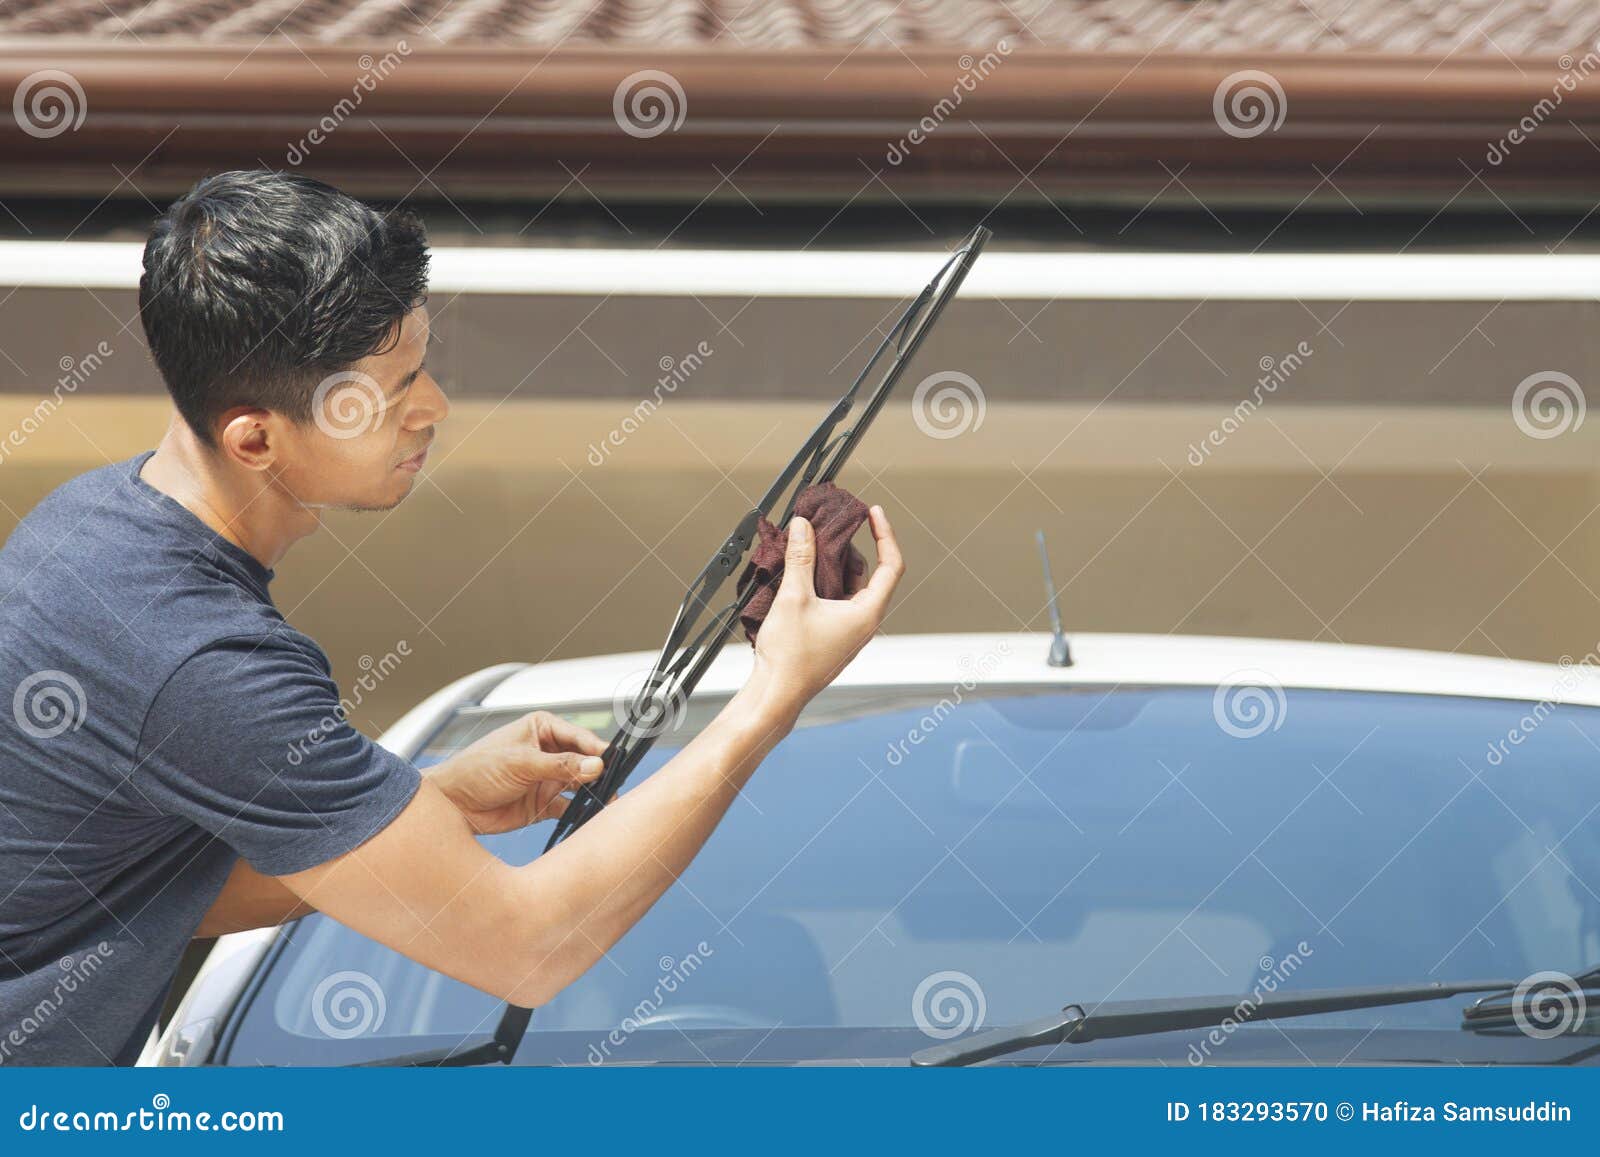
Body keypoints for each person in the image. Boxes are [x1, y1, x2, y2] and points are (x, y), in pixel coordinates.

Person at [0, 170, 903, 1065]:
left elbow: (135, 897)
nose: (432, 408)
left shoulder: (88, 530)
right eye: (390, 392)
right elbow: (528, 947)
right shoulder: (200, 658)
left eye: (420, 366)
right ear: (256, 438)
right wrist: (775, 694)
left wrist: (435, 801)